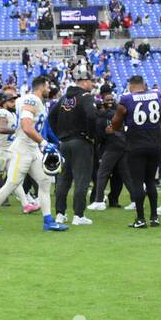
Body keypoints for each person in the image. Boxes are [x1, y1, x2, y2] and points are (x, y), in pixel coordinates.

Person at [0, 75, 63, 232]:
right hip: (22, 149)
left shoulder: (34, 101)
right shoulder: (31, 99)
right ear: (42, 86)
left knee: (45, 181)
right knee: (11, 184)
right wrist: (44, 143)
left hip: (32, 148)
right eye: (47, 86)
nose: (49, 89)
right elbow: (26, 126)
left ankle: (48, 220)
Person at [108, 75, 161, 229]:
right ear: (143, 84)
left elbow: (115, 122)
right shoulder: (156, 95)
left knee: (137, 182)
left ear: (130, 85)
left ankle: (140, 219)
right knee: (150, 182)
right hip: (154, 145)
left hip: (136, 146)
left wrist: (115, 128)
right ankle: (154, 218)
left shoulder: (126, 99)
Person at [52, 68, 97, 227]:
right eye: (90, 80)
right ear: (84, 82)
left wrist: (59, 134)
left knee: (63, 180)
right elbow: (92, 115)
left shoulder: (64, 98)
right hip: (81, 142)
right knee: (81, 179)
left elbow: (52, 116)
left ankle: (60, 213)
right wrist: (91, 135)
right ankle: (78, 215)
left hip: (64, 143)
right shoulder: (85, 96)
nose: (92, 83)